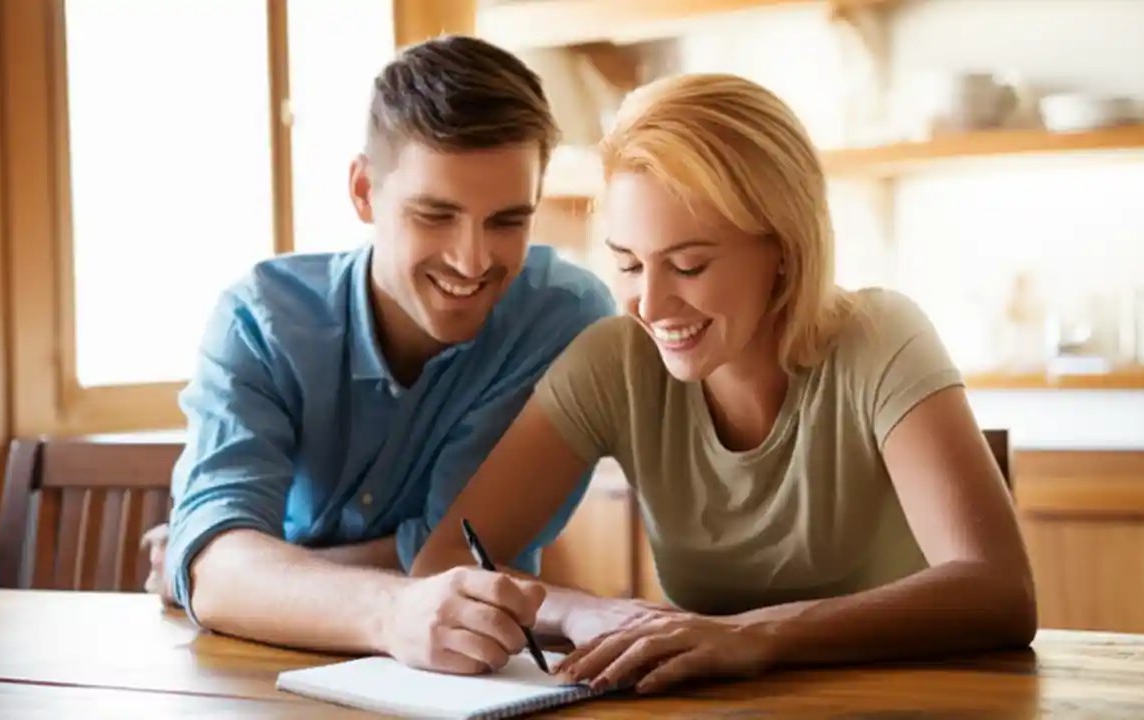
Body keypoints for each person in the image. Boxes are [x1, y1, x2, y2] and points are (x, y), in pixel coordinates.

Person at [411, 73, 1038, 693]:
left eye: (689, 265)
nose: (649, 303)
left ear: (784, 250)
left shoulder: (880, 338)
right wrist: (578, 612)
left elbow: (998, 590)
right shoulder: (613, 362)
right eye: (628, 263)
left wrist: (757, 636)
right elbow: (444, 563)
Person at [148, 35, 615, 675]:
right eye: (435, 214)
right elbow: (221, 571)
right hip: (248, 666)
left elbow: (451, 559)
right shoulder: (260, 318)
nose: (472, 260)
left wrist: (240, 570)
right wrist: (224, 571)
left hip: (464, 674)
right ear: (365, 191)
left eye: (507, 221)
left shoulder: (561, 318)